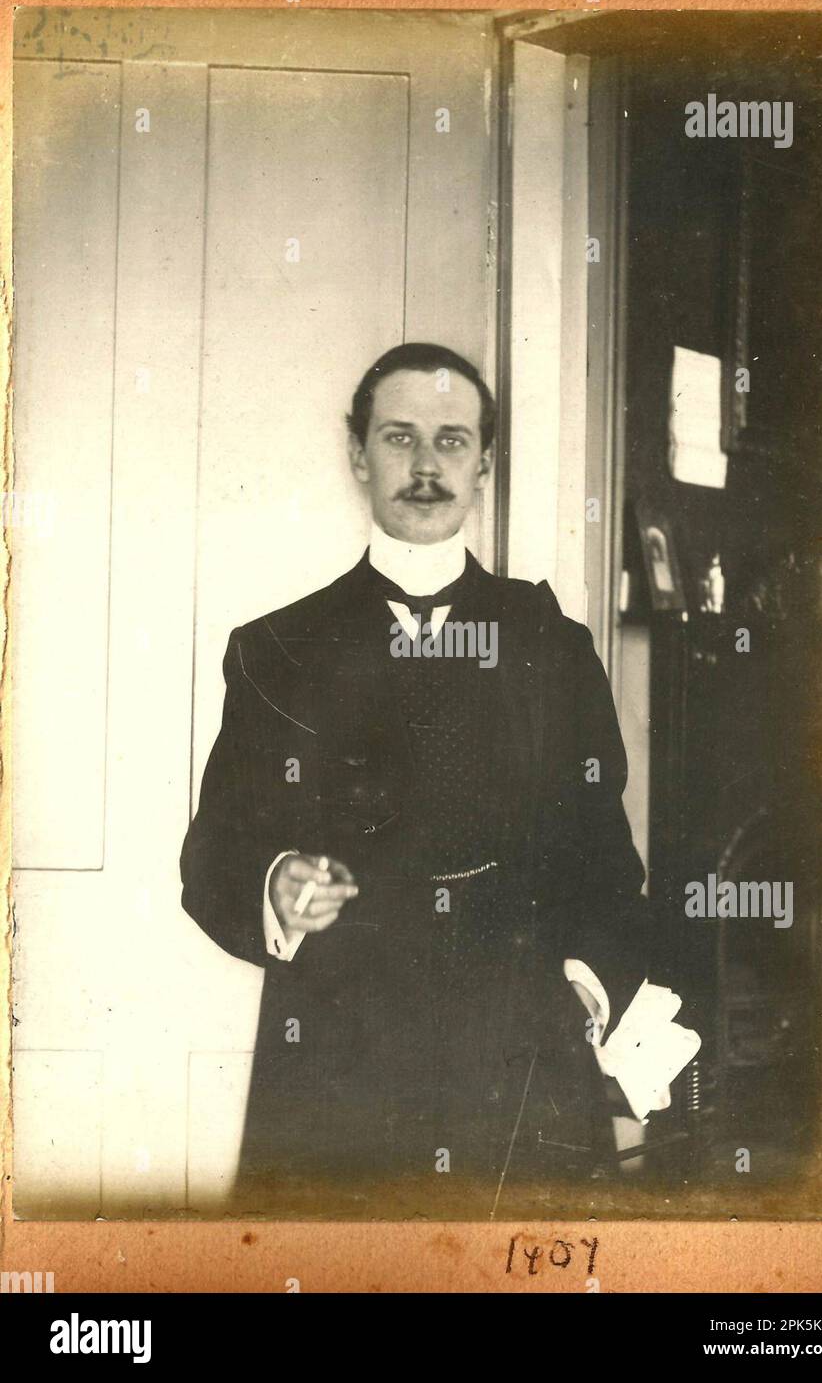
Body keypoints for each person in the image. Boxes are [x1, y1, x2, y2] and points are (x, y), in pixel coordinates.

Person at [180, 342, 650, 1217]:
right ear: (357, 453)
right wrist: (275, 884)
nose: (426, 465)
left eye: (452, 441)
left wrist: (581, 992)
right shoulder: (276, 650)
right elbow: (212, 857)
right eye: (399, 438)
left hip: (521, 1067)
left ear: (483, 465)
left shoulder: (552, 647)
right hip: (338, 1069)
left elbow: (607, 867)